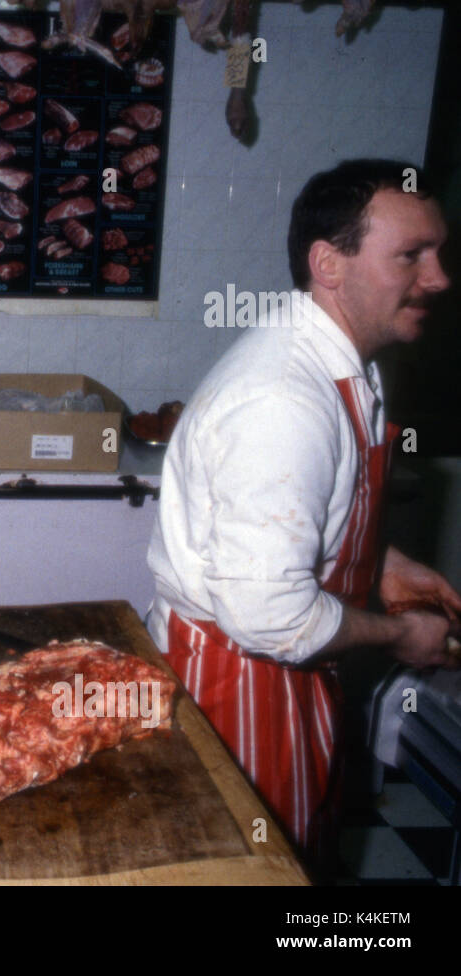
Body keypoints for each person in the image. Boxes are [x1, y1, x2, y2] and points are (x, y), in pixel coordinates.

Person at [147, 159, 460, 859]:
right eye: (411, 256)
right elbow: (271, 616)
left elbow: (318, 505)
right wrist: (399, 635)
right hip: (238, 682)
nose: (438, 278)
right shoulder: (285, 398)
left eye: (438, 253)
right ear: (329, 263)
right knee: (258, 874)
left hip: (284, 670)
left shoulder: (350, 364)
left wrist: (378, 563)